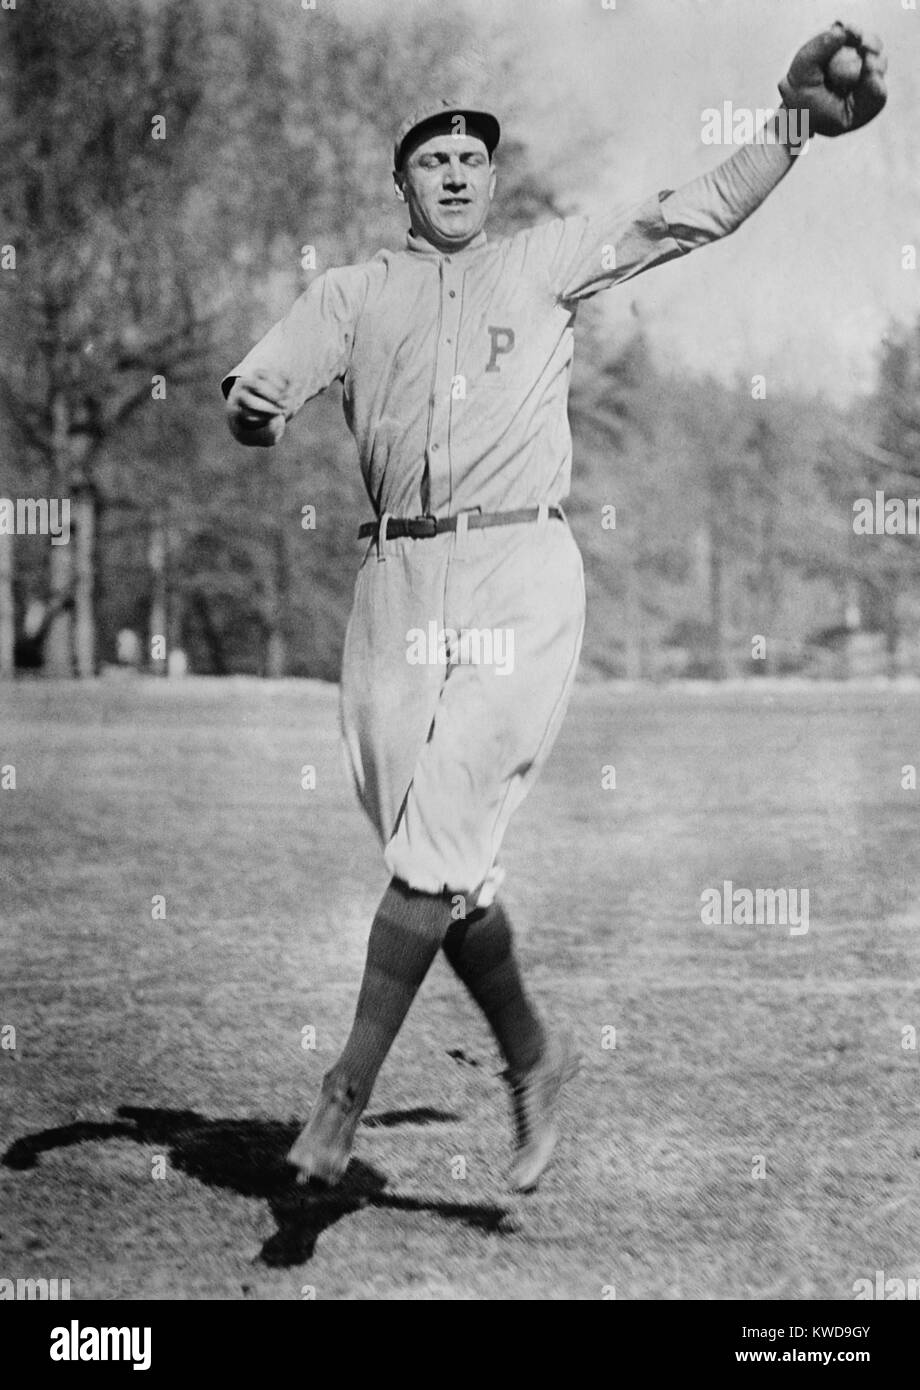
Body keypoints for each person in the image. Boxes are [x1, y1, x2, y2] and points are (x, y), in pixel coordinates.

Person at [222, 23, 886, 1192]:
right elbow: (260, 382)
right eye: (433, 159)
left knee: (432, 852)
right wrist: (255, 412)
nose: (458, 173)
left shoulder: (545, 261)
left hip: (518, 571)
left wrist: (788, 127)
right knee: (444, 869)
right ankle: (534, 1054)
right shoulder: (354, 291)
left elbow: (693, 211)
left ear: (494, 173)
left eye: (473, 155)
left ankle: (341, 1098)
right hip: (393, 584)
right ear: (403, 182)